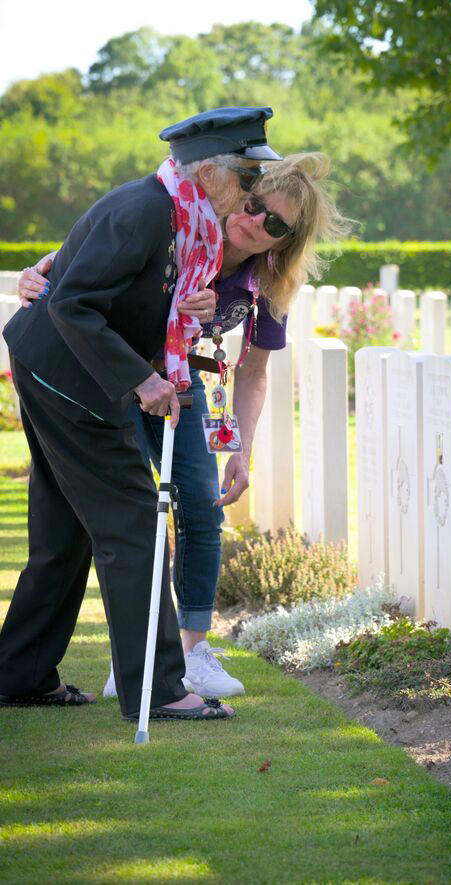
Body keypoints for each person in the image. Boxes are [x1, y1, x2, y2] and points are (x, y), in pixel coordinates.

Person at [17, 152, 349, 700]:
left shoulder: (266, 283)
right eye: (252, 204)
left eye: (273, 223)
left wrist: (241, 449)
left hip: (180, 379)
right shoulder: (188, 222)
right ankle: (143, 654)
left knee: (199, 500)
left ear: (287, 239)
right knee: (124, 514)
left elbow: (254, 371)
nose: (251, 222)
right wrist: (40, 270)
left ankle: (192, 651)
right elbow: (93, 257)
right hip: (115, 372)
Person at [0, 106, 282, 722]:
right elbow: (73, 302)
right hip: (69, 379)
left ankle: (21, 672)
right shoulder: (145, 210)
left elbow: (134, 296)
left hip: (59, 370)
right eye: (246, 177)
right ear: (209, 173)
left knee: (65, 530)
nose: (253, 191)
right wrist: (143, 379)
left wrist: (195, 315)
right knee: (135, 526)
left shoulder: (182, 214)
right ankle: (158, 689)